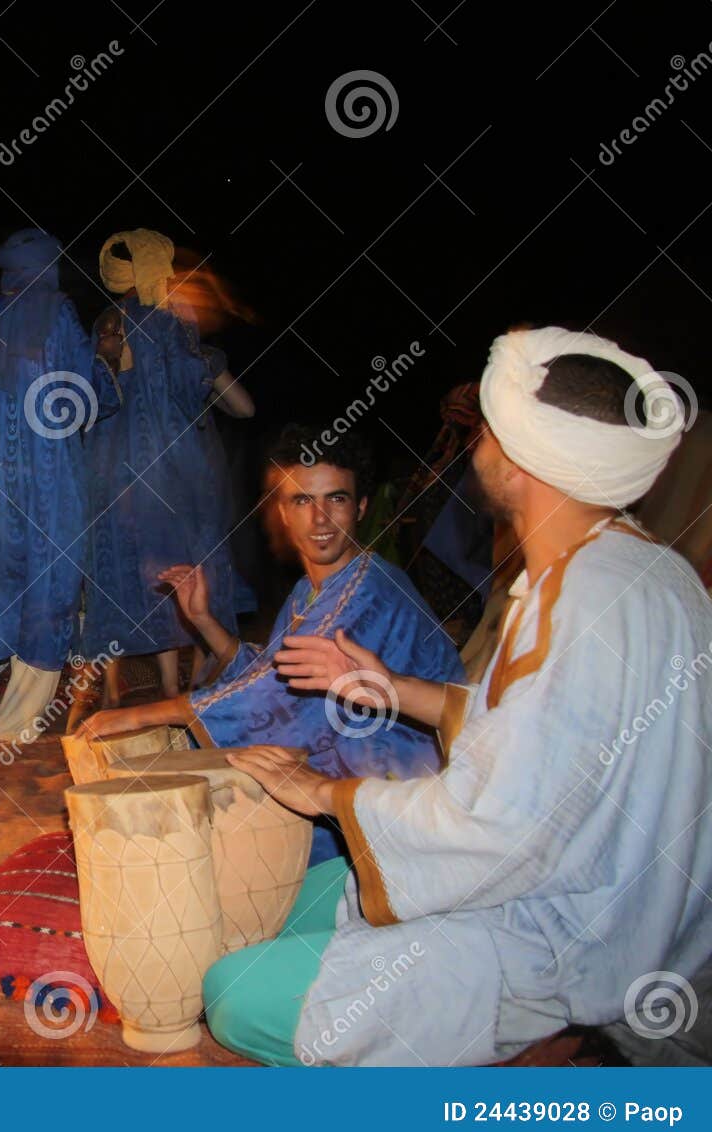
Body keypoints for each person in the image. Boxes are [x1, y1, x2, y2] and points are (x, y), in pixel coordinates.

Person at [204, 327, 712, 1066]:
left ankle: (520, 1066)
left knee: (231, 992)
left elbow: (502, 825)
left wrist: (328, 794)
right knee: (290, 901)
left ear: (518, 460)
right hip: (595, 899)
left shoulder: (577, 604)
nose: (476, 443)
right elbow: (541, 739)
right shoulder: (636, 569)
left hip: (556, 942)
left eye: (489, 429)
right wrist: (394, 687)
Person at [79, 426, 464, 863]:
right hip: (355, 776)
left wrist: (139, 713)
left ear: (360, 508)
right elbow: (272, 669)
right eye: (302, 500)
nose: (319, 519)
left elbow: (271, 695)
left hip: (401, 795)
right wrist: (205, 622)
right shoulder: (310, 591)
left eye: (335, 499)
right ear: (282, 513)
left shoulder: (370, 593)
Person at [0, 228, 112, 743]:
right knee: (55, 581)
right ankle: (17, 721)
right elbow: (85, 395)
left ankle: (7, 689)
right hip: (51, 479)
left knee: (8, 577)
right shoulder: (58, 313)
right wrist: (110, 366)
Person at [82, 228, 253, 702]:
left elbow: (90, 400)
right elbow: (242, 407)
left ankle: (114, 687)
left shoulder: (104, 325)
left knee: (121, 568)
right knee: (182, 565)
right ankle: (181, 685)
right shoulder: (175, 328)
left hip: (110, 474)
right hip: (175, 473)